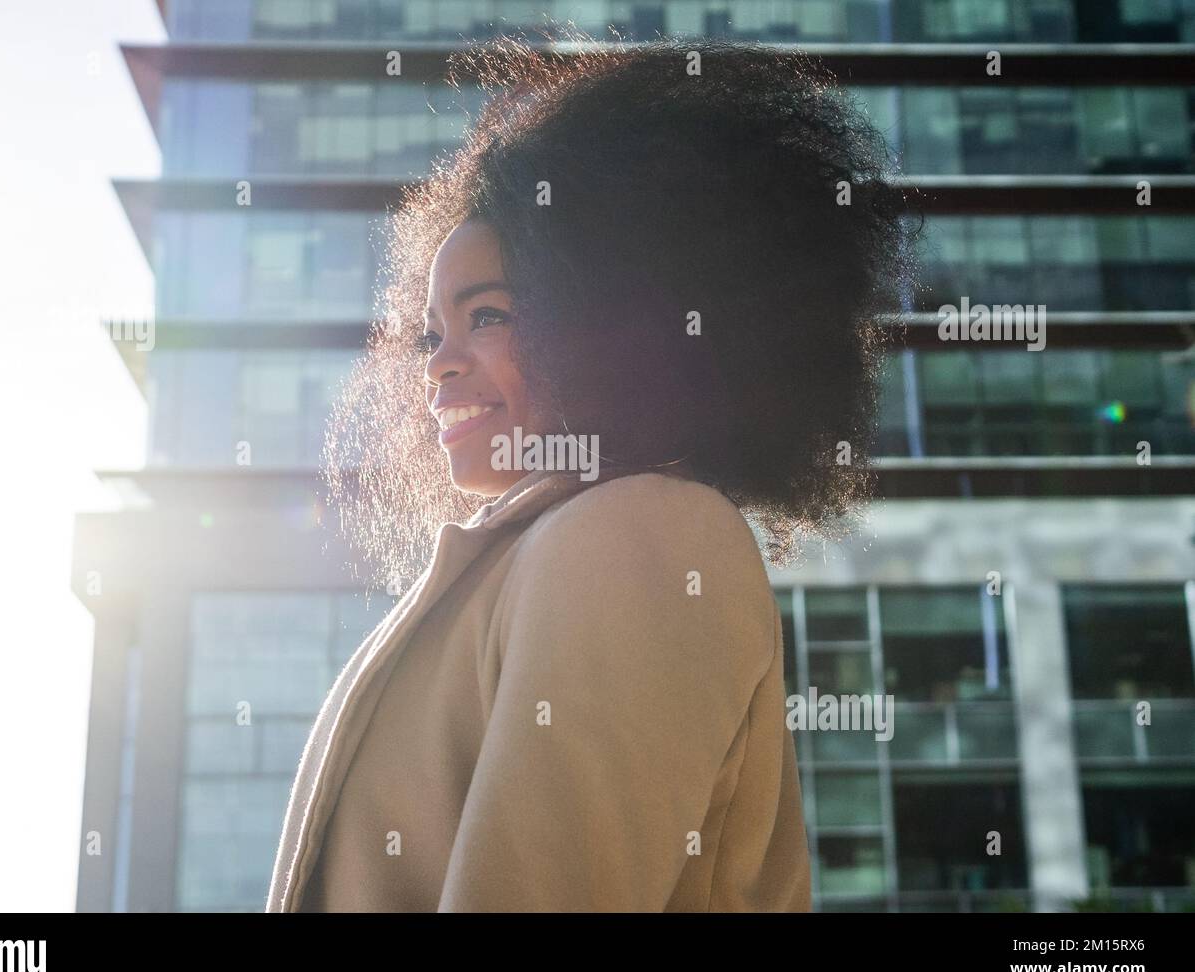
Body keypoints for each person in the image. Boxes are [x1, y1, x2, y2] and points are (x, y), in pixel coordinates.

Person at [266, 31, 916, 912]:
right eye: (430, 331)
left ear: (611, 320)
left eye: (487, 315)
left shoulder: (643, 532)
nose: (438, 363)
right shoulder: (530, 556)